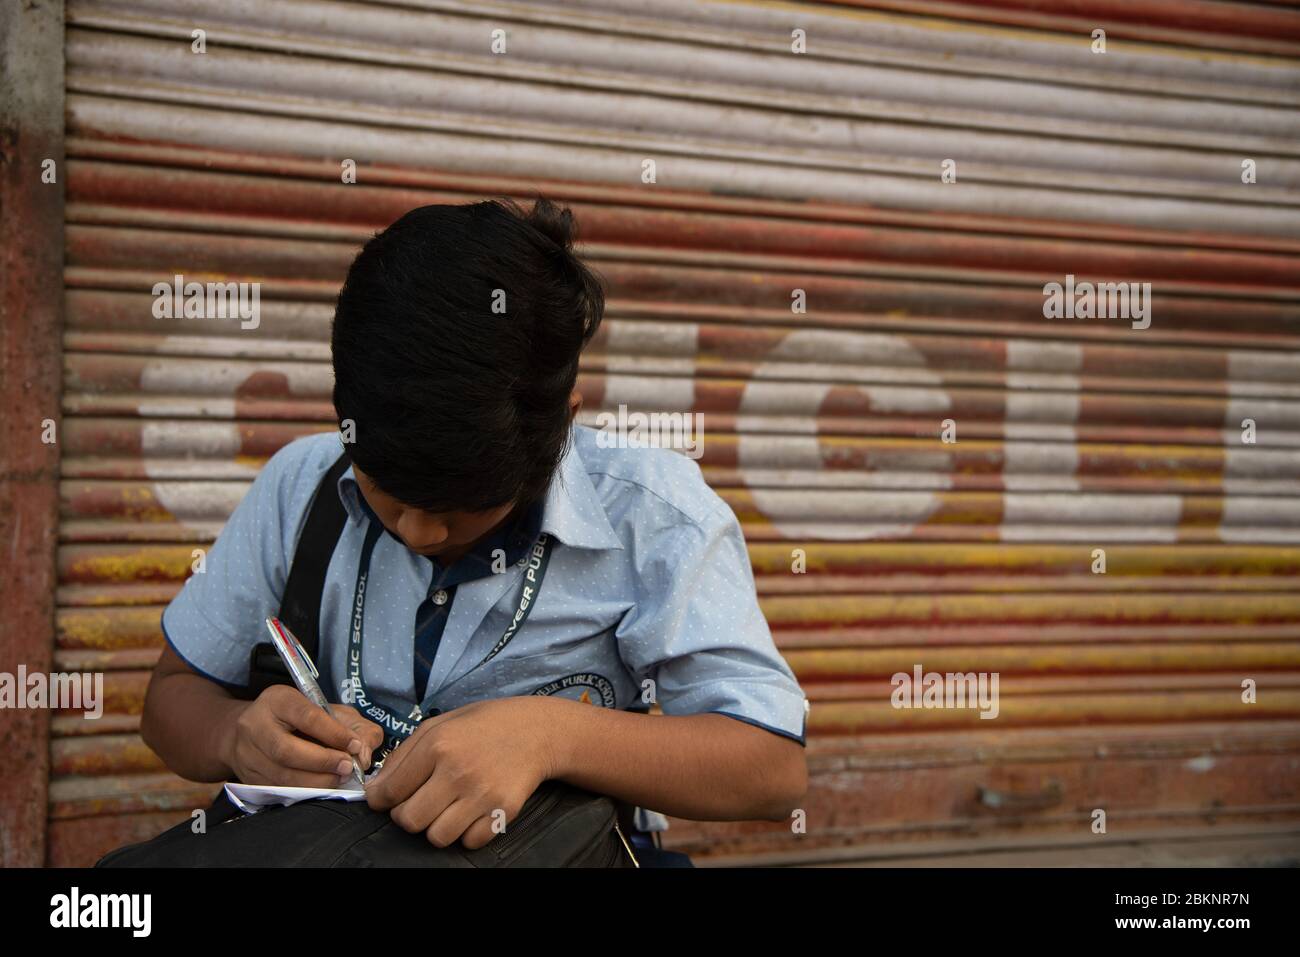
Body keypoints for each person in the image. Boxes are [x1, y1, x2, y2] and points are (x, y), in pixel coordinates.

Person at [140, 197, 809, 862]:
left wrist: (552, 737)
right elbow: (171, 699)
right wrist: (235, 734)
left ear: (561, 421)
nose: (419, 530)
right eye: (385, 491)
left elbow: (772, 768)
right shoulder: (298, 486)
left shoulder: (653, 515)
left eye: (462, 505)